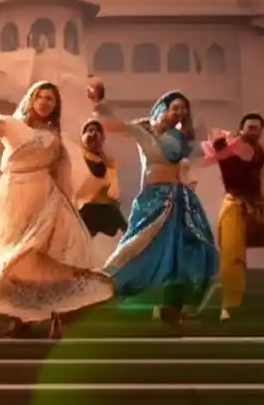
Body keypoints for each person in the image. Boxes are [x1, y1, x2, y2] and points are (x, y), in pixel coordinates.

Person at [0, 81, 113, 339]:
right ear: (32, 100)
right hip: (12, 198)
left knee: (50, 255)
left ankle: (57, 317)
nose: (45, 102)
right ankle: (19, 318)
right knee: (14, 257)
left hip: (44, 196)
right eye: (41, 97)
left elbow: (62, 171)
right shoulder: (13, 126)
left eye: (50, 99)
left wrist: (67, 202)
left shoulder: (55, 136)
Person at [90, 80, 219, 331]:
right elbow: (113, 126)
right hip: (152, 199)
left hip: (178, 199)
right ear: (164, 108)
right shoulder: (143, 129)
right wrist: (97, 108)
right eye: (175, 108)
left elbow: (173, 158)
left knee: (182, 252)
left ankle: (172, 309)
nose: (180, 113)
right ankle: (102, 288)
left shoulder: (179, 137)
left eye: (184, 110)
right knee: (135, 246)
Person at [199, 112, 264, 322]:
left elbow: (259, 168)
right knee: (233, 256)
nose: (254, 131)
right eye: (250, 127)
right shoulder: (227, 147)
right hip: (235, 207)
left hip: (260, 208)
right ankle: (230, 306)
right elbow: (217, 158)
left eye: (257, 128)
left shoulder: (260, 151)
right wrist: (219, 142)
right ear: (241, 129)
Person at [72, 118, 128, 263]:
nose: (93, 134)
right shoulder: (77, 159)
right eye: (89, 130)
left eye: (97, 131)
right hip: (85, 210)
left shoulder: (109, 163)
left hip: (109, 211)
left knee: (127, 241)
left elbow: (114, 191)